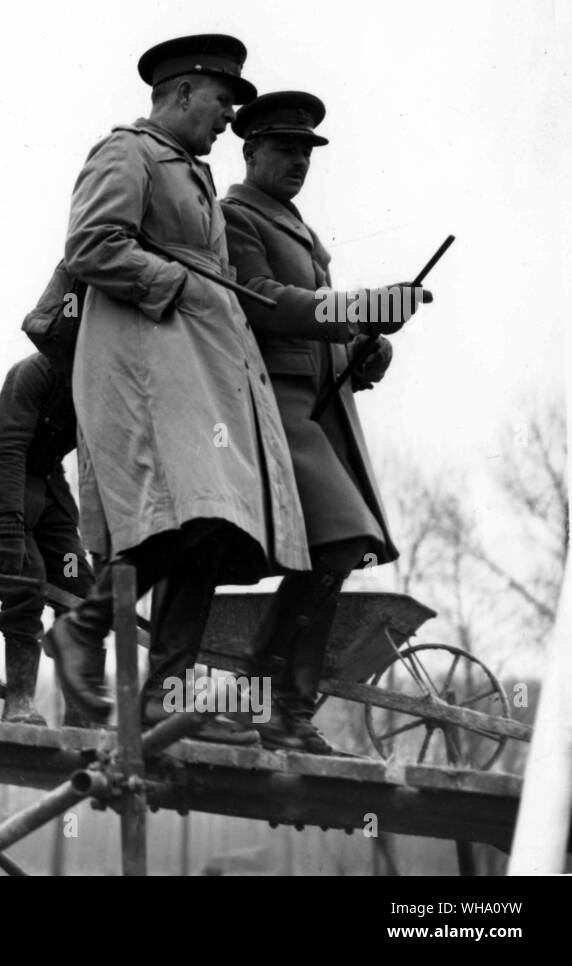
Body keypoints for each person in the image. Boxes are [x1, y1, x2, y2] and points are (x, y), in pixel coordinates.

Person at [42, 35, 311, 743]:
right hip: (146, 362)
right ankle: (83, 625)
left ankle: (164, 694)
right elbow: (92, 244)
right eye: (223, 101)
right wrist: (180, 286)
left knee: (215, 525)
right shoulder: (127, 152)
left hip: (199, 364)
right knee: (188, 513)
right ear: (182, 92)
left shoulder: (189, 171)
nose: (228, 117)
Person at [220, 91, 429, 752]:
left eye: (306, 151)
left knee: (333, 550)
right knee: (341, 542)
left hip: (319, 413)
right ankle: (266, 689)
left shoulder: (303, 232)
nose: (298, 162)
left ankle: (289, 713)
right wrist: (364, 308)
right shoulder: (233, 219)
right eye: (284, 148)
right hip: (273, 407)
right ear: (250, 150)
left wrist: (366, 349)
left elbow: (319, 325)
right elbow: (270, 305)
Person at [0, 351, 93, 725]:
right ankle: (20, 703)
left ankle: (80, 713)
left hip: (45, 481)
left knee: (80, 588)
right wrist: (9, 529)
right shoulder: (34, 372)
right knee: (23, 583)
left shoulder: (104, 376)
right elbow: (6, 447)